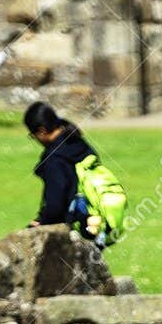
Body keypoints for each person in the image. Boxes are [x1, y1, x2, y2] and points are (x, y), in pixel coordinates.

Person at [22, 102, 108, 237]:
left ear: (42, 131)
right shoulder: (78, 142)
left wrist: (40, 223)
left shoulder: (55, 159)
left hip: (73, 228)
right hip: (94, 221)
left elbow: (55, 205)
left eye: (33, 136)